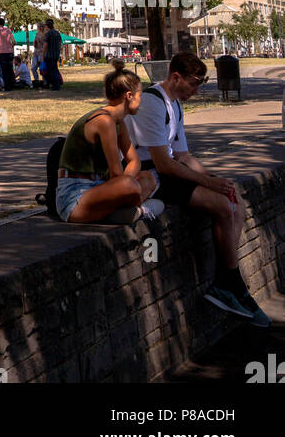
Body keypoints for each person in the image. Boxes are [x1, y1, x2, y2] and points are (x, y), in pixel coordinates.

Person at [124, 51, 271, 325]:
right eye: (193, 84)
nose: (196, 90)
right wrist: (207, 182)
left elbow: (183, 156)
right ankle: (230, 284)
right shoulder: (152, 105)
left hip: (167, 171)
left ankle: (227, 281)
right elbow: (163, 164)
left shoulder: (175, 104)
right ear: (175, 77)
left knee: (233, 198)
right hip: (149, 176)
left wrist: (217, 180)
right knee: (223, 206)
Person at [56, 62, 163, 224]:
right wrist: (127, 187)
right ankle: (135, 211)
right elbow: (116, 173)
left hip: (100, 187)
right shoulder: (104, 121)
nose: (141, 101)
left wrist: (127, 185)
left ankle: (124, 213)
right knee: (129, 185)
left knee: (148, 178)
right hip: (75, 196)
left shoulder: (120, 122)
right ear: (129, 96)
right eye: (140, 95)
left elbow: (134, 161)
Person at [0, 18, 16, 90]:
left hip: (1, 52)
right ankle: (12, 84)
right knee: (10, 69)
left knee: (4, 70)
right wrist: (11, 47)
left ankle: (7, 86)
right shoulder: (8, 30)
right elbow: (13, 41)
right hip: (9, 52)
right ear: (4, 23)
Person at [43, 18, 63, 89]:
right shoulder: (57, 33)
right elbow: (60, 43)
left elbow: (45, 45)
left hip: (49, 54)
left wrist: (43, 54)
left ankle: (55, 85)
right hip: (56, 54)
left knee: (51, 70)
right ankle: (57, 83)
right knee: (55, 69)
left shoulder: (47, 34)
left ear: (47, 26)